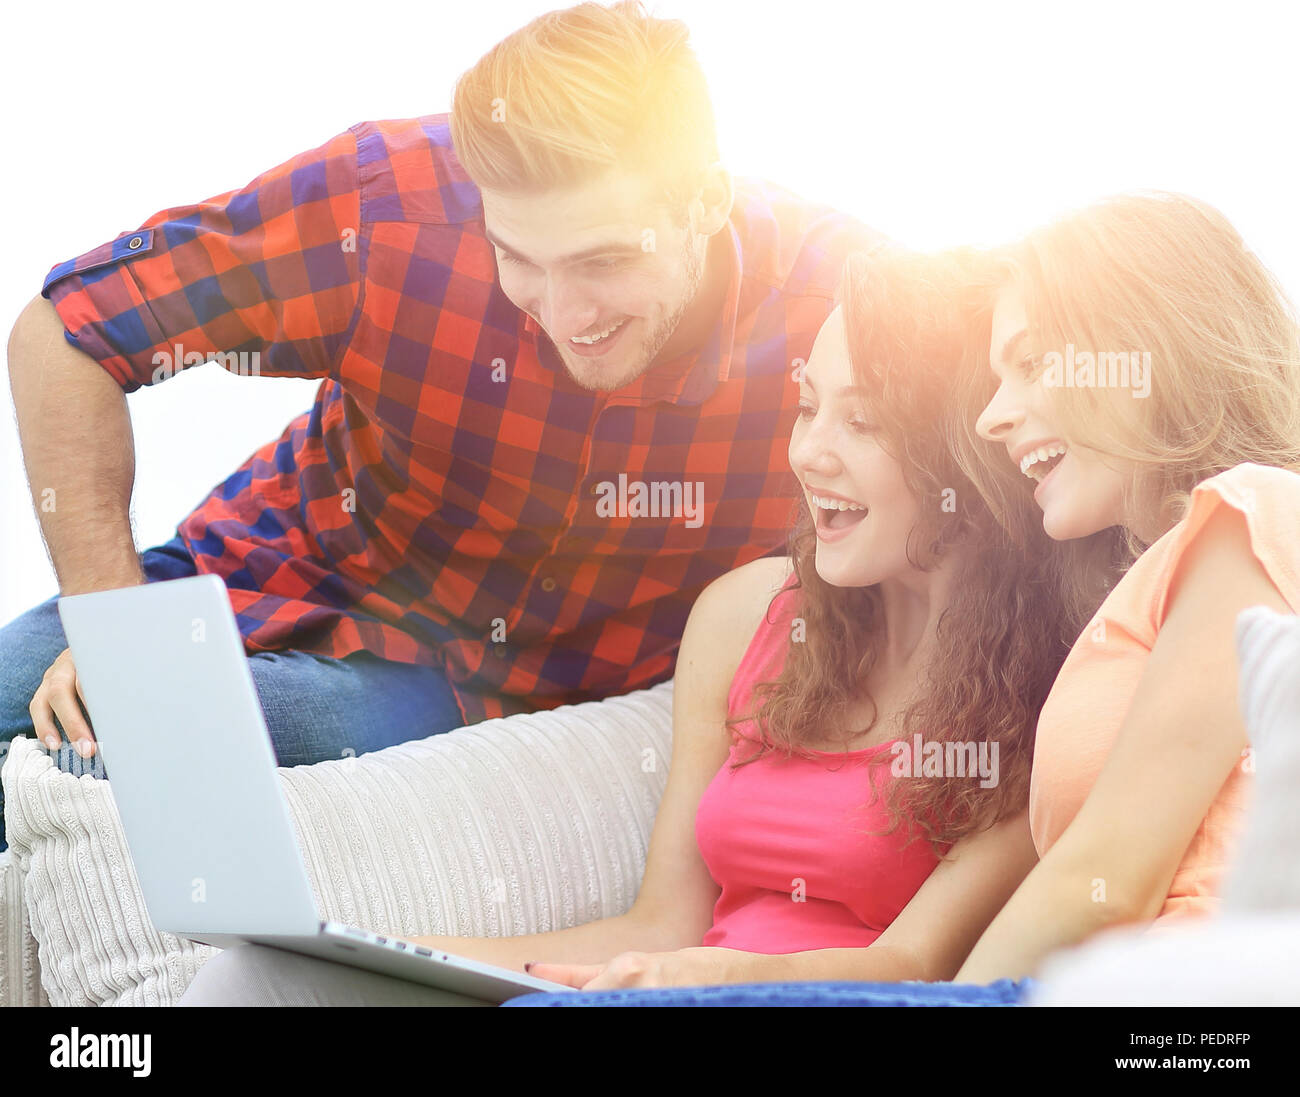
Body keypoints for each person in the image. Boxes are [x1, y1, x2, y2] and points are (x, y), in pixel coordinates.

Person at [0, 1, 882, 851]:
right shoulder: (388, 203)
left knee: (102, 751)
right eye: (518, 258)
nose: (562, 312)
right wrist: (121, 635)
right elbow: (65, 333)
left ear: (706, 202)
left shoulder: (841, 301)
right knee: (27, 697)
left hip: (452, 686)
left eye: (604, 260)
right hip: (267, 563)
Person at [176, 246, 1073, 1005]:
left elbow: (915, 967)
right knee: (252, 979)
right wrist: (386, 951)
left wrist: (706, 977)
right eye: (807, 407)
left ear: (966, 452)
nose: (810, 452)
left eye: (863, 421)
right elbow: (658, 926)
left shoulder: (1050, 694)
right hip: (666, 989)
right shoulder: (747, 617)